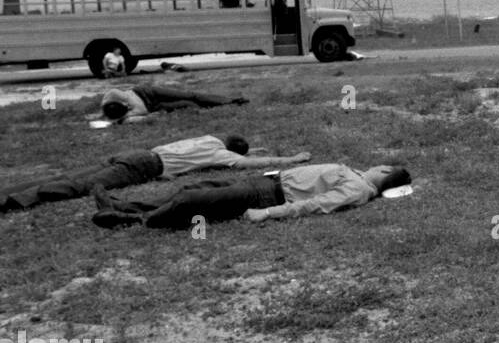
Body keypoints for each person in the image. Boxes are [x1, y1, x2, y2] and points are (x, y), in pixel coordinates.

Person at [0, 136, 310, 214]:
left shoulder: (209, 140)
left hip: (136, 153)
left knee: (71, 174)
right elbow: (252, 164)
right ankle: (15, 200)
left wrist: (248, 153)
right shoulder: (222, 157)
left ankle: (12, 190)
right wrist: (292, 158)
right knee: (78, 186)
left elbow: (245, 157)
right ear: (235, 152)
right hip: (144, 167)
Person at [91, 164, 411, 230]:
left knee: (191, 203)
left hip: (267, 195)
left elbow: (316, 204)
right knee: (194, 190)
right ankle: (123, 205)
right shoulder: (357, 176)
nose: (377, 164)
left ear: (383, 175)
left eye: (383, 166)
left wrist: (267, 214)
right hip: (266, 181)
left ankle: (132, 220)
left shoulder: (358, 189)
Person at [100, 84, 249, 123]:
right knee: (187, 103)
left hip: (148, 93)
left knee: (190, 95)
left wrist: (128, 105)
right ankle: (220, 105)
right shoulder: (125, 119)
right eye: (126, 109)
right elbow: (148, 118)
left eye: (126, 105)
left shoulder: (111, 96)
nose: (128, 107)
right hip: (155, 107)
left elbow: (115, 92)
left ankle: (229, 100)